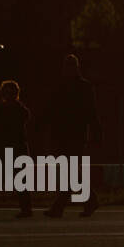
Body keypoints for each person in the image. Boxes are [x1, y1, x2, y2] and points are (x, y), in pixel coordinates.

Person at [45, 55, 100, 218]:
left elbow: (91, 110)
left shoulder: (83, 87)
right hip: (64, 132)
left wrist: (95, 129)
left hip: (76, 133)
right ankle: (88, 200)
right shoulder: (64, 86)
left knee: (69, 169)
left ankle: (61, 205)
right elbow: (53, 110)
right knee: (69, 169)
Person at [0, 80, 33, 218]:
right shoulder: (18, 109)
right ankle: (26, 208)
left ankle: (26, 208)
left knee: (5, 179)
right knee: (0, 179)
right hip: (11, 147)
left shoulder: (8, 109)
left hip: (12, 147)